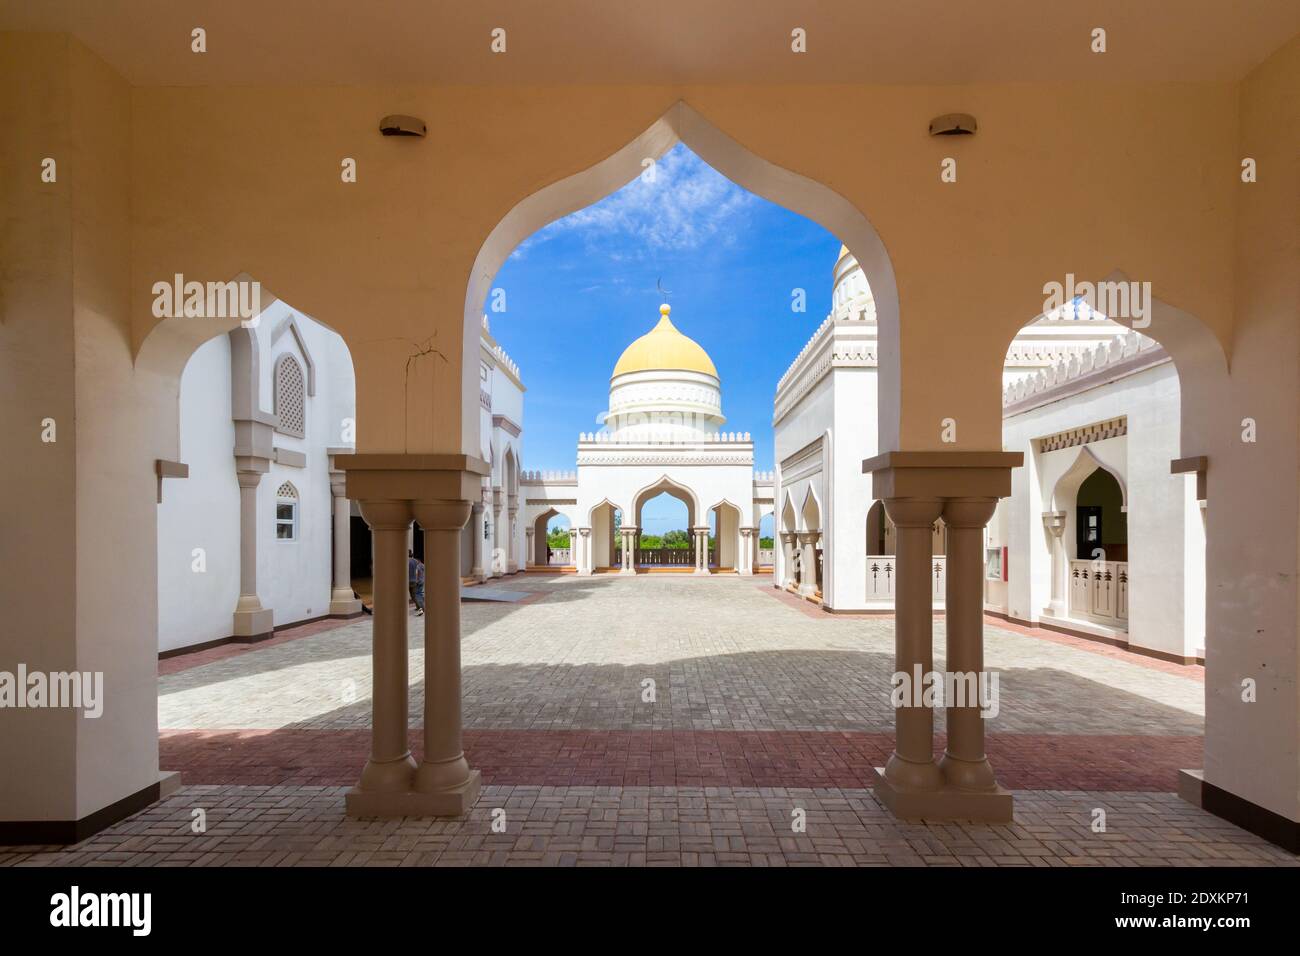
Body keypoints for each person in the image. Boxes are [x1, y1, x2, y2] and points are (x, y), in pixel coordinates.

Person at [408, 550, 425, 616]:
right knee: (415, 595)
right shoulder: (416, 561)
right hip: (415, 581)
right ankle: (419, 607)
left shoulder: (406, 561)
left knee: (414, 595)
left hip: (408, 580)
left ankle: (420, 608)